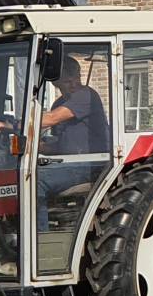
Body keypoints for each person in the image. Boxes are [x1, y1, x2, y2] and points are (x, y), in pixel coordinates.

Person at [35, 56, 110, 229]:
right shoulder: (59, 103)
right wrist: (41, 147)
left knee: (35, 180)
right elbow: (62, 146)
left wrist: (13, 123)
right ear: (56, 84)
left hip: (90, 164)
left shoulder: (86, 95)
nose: (74, 84)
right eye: (68, 81)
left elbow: (50, 119)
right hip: (71, 163)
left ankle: (41, 238)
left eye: (77, 78)